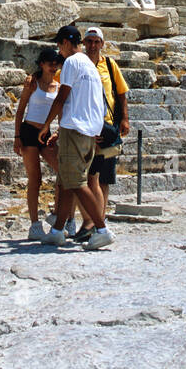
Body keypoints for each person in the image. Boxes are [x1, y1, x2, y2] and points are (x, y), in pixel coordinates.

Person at [37, 28, 114, 251]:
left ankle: (101, 230)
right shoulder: (91, 66)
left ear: (65, 43)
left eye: (59, 45)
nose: (58, 51)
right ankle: (57, 231)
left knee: (77, 183)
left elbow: (63, 97)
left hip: (75, 129)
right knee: (67, 181)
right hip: (89, 131)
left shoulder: (71, 63)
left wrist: (46, 125)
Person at [73, 27, 130, 245]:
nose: (93, 45)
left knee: (103, 178)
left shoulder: (109, 65)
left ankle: (99, 221)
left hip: (106, 127)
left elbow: (121, 93)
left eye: (97, 41)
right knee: (85, 178)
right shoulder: (79, 63)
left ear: (102, 44)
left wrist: (124, 119)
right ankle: (90, 222)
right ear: (84, 43)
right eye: (89, 41)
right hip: (87, 127)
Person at [14, 46, 66, 240]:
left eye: (56, 64)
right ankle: (35, 224)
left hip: (47, 133)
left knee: (63, 171)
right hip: (29, 131)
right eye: (50, 63)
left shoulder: (59, 86)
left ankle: (56, 215)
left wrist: (59, 133)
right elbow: (20, 111)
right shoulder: (32, 83)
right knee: (35, 178)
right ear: (42, 64)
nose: (54, 67)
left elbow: (60, 113)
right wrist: (17, 137)